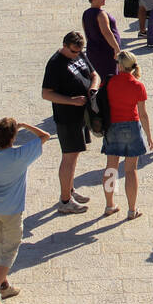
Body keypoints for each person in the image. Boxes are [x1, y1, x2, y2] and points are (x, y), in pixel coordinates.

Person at [0, 118, 52, 304]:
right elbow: (45, 136)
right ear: (13, 137)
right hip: (12, 211)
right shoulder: (20, 155)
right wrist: (25, 126)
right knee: (10, 249)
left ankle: (5, 286)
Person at [40, 31, 98, 215]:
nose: (77, 54)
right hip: (67, 118)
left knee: (75, 155)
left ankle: (70, 190)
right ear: (65, 46)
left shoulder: (79, 53)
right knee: (69, 157)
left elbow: (94, 74)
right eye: (73, 52)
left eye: (79, 51)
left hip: (82, 115)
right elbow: (46, 94)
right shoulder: (55, 64)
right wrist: (71, 100)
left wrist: (93, 88)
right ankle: (65, 201)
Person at [101, 50, 153, 220]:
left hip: (112, 127)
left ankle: (110, 205)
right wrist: (149, 136)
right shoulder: (138, 86)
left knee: (111, 167)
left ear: (120, 65)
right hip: (132, 126)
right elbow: (143, 114)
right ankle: (132, 209)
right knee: (131, 170)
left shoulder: (109, 82)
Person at [82, 0, 122, 80]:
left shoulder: (86, 13)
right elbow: (107, 32)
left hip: (93, 51)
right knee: (110, 78)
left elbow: (87, 33)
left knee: (98, 78)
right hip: (106, 52)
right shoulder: (100, 14)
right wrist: (116, 48)